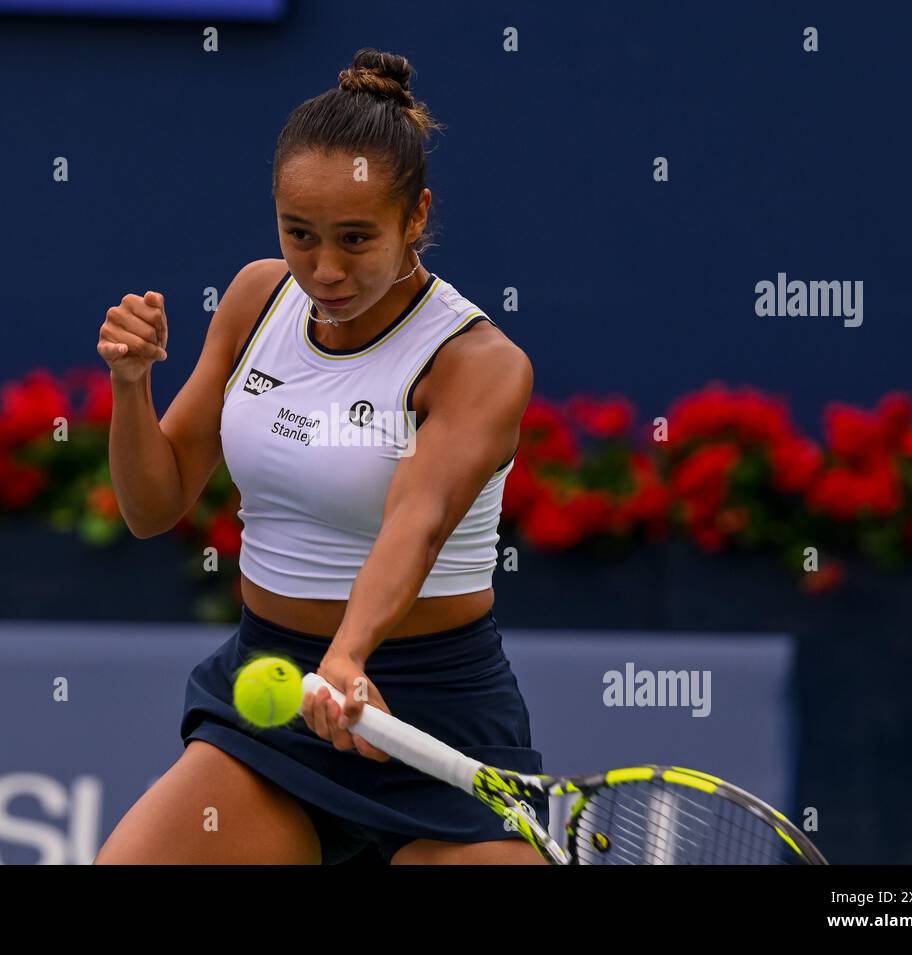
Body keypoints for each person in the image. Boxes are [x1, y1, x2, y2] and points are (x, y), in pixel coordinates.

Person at [94, 48, 544, 865]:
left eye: (355, 239)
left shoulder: (478, 363)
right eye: (299, 234)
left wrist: (350, 653)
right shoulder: (256, 299)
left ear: (417, 217)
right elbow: (152, 505)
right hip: (273, 702)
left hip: (433, 714)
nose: (325, 270)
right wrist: (132, 387)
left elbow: (421, 517)